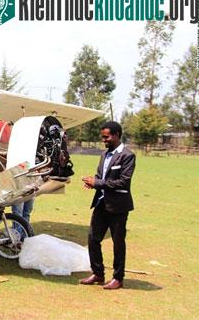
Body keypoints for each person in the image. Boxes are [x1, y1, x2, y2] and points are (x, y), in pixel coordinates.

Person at [80, 121, 135, 290]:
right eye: (102, 137)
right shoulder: (104, 155)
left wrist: (98, 183)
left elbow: (123, 182)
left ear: (117, 135)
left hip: (118, 206)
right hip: (101, 203)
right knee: (92, 238)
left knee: (118, 242)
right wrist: (93, 183)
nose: (104, 140)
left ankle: (118, 278)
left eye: (107, 137)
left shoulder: (127, 155)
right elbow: (100, 175)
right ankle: (98, 273)